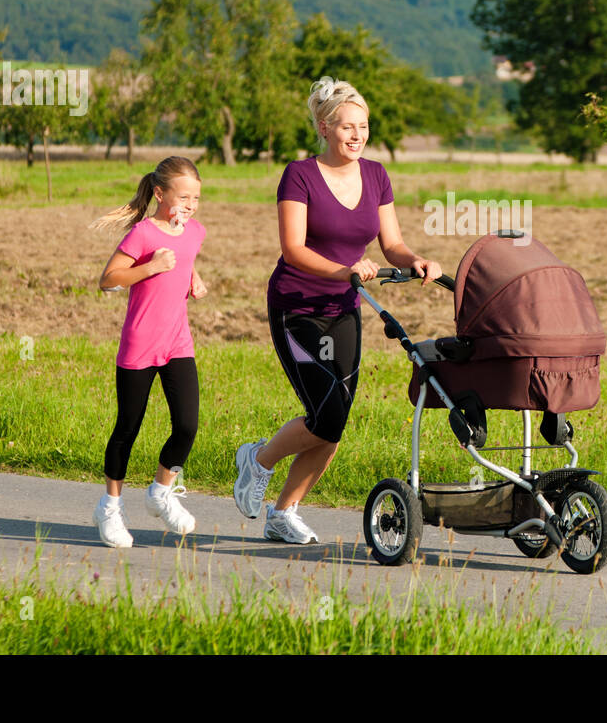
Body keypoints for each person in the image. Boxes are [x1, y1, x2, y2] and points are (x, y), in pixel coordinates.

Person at [234, 78, 441, 544]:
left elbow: (391, 243)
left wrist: (416, 261)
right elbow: (292, 249)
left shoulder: (377, 175)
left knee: (336, 421)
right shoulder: (299, 175)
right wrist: (344, 267)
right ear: (325, 128)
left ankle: (283, 513)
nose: (357, 135)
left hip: (345, 307)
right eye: (347, 126)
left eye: (363, 126)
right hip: (298, 306)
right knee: (323, 412)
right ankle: (258, 460)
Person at [88, 156, 208, 548]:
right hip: (140, 342)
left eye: (196, 198)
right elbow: (108, 280)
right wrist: (152, 267)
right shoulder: (142, 234)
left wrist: (192, 277)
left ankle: (161, 491)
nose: (190, 204)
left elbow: (184, 258)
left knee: (187, 425)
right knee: (128, 428)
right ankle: (109, 507)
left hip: (178, 342)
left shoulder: (195, 232)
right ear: (159, 193)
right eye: (183, 196)